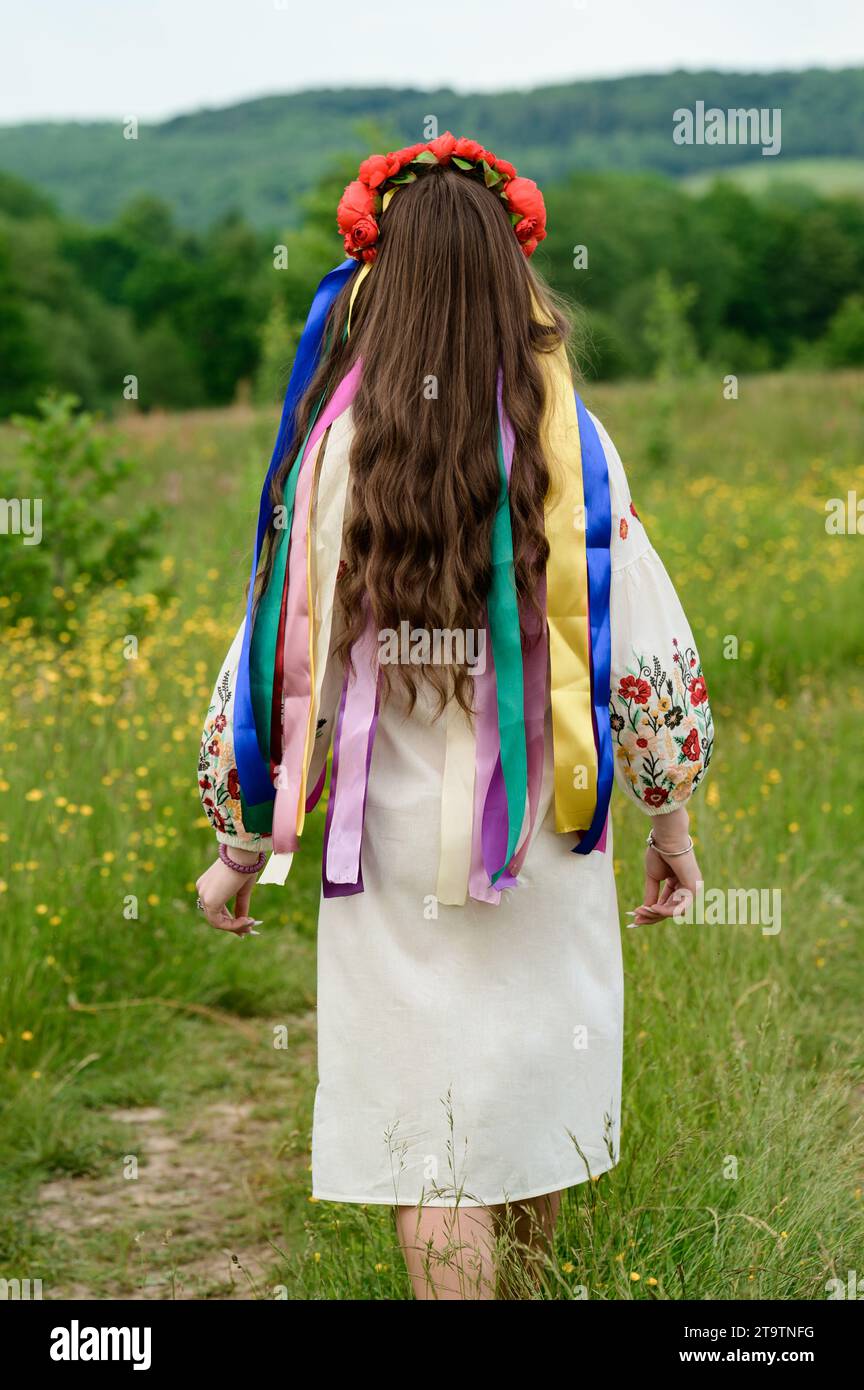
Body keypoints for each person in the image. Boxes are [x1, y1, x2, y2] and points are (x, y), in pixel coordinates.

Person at [195, 134, 714, 1300]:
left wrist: (240, 846)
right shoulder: (570, 444)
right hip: (535, 831)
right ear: (509, 276)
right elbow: (643, 645)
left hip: (383, 844)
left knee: (433, 1146)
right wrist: (669, 818)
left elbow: (282, 662)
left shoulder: (334, 450)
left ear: (378, 279)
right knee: (531, 1100)